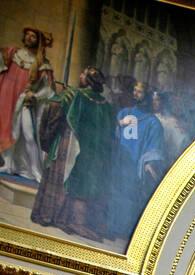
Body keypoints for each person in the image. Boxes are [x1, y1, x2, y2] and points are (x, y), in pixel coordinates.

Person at [31, 67, 116, 241]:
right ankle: (79, 220)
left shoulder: (77, 95)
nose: (80, 75)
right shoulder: (106, 106)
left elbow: (59, 109)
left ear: (90, 80)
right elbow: (109, 133)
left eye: (83, 73)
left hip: (72, 146)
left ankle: (53, 214)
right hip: (94, 154)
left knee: (66, 177)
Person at [109, 80, 166, 241]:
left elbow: (154, 148)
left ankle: (123, 231)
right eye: (134, 90)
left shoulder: (153, 122)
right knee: (114, 193)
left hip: (134, 167)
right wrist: (120, 124)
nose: (135, 94)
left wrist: (148, 164)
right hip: (118, 163)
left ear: (147, 96)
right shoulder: (123, 113)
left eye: (140, 92)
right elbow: (111, 135)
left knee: (128, 198)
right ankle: (111, 226)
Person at [0, 26, 52, 160]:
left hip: (22, 99)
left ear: (38, 41)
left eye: (33, 36)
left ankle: (13, 162)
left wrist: (34, 95)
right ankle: (5, 161)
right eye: (27, 35)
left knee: (20, 130)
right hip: (6, 94)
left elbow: (48, 89)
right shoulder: (13, 52)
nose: (29, 38)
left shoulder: (41, 62)